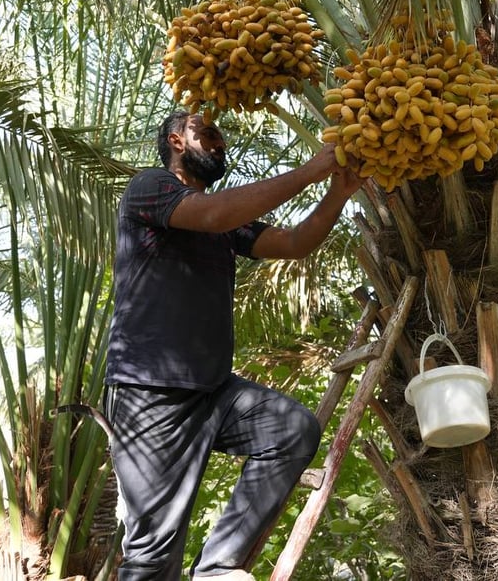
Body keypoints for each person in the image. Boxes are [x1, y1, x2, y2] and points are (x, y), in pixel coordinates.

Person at [103, 110, 364, 581]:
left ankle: (219, 565)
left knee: (292, 430)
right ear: (176, 141)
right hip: (151, 395)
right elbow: (216, 212)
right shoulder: (150, 188)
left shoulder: (224, 224)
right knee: (152, 558)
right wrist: (313, 168)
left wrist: (337, 192)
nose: (220, 143)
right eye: (209, 134)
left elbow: (293, 242)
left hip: (213, 392)